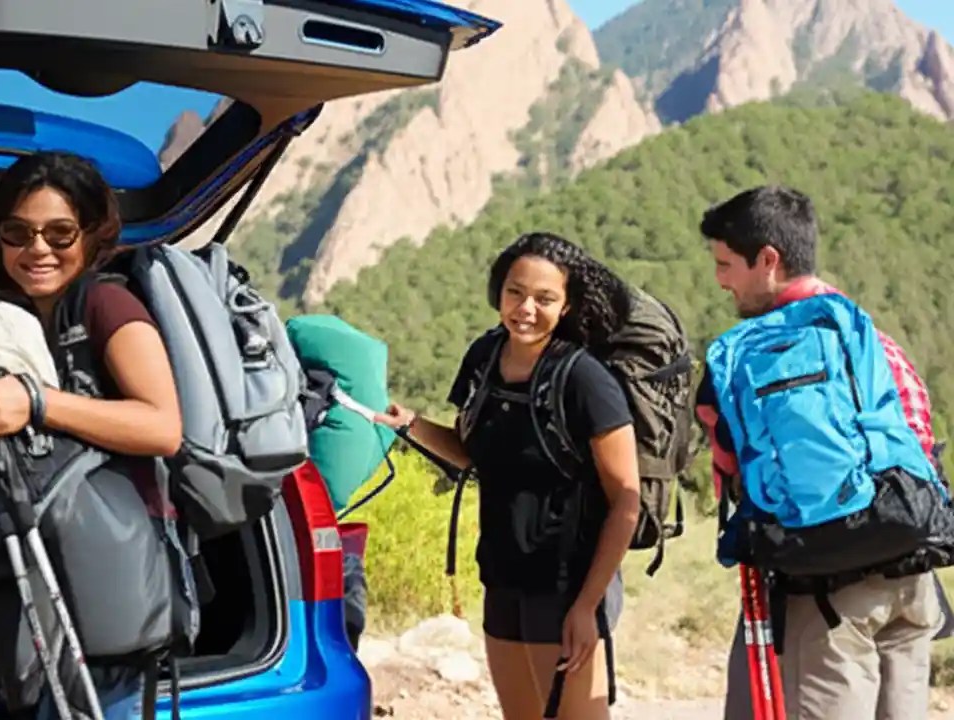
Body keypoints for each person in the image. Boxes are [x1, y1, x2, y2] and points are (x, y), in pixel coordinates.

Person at [694, 185, 948, 720]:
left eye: (726, 265)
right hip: (911, 577)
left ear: (768, 260)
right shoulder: (868, 335)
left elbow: (736, 476)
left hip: (828, 593)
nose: (720, 280)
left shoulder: (761, 355)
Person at [375, 232, 642, 720]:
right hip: (502, 577)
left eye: (545, 298)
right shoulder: (484, 357)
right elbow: (472, 454)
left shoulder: (584, 380)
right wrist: (412, 425)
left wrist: (587, 606)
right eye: (515, 292)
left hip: (566, 587)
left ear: (566, 306)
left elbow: (626, 500)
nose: (525, 308)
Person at [0, 151, 184, 719]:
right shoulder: (19, 321)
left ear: (90, 236)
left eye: (60, 232)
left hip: (113, 565)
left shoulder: (106, 302)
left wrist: (35, 402)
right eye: (18, 232)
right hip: (51, 563)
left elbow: (163, 426)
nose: (38, 248)